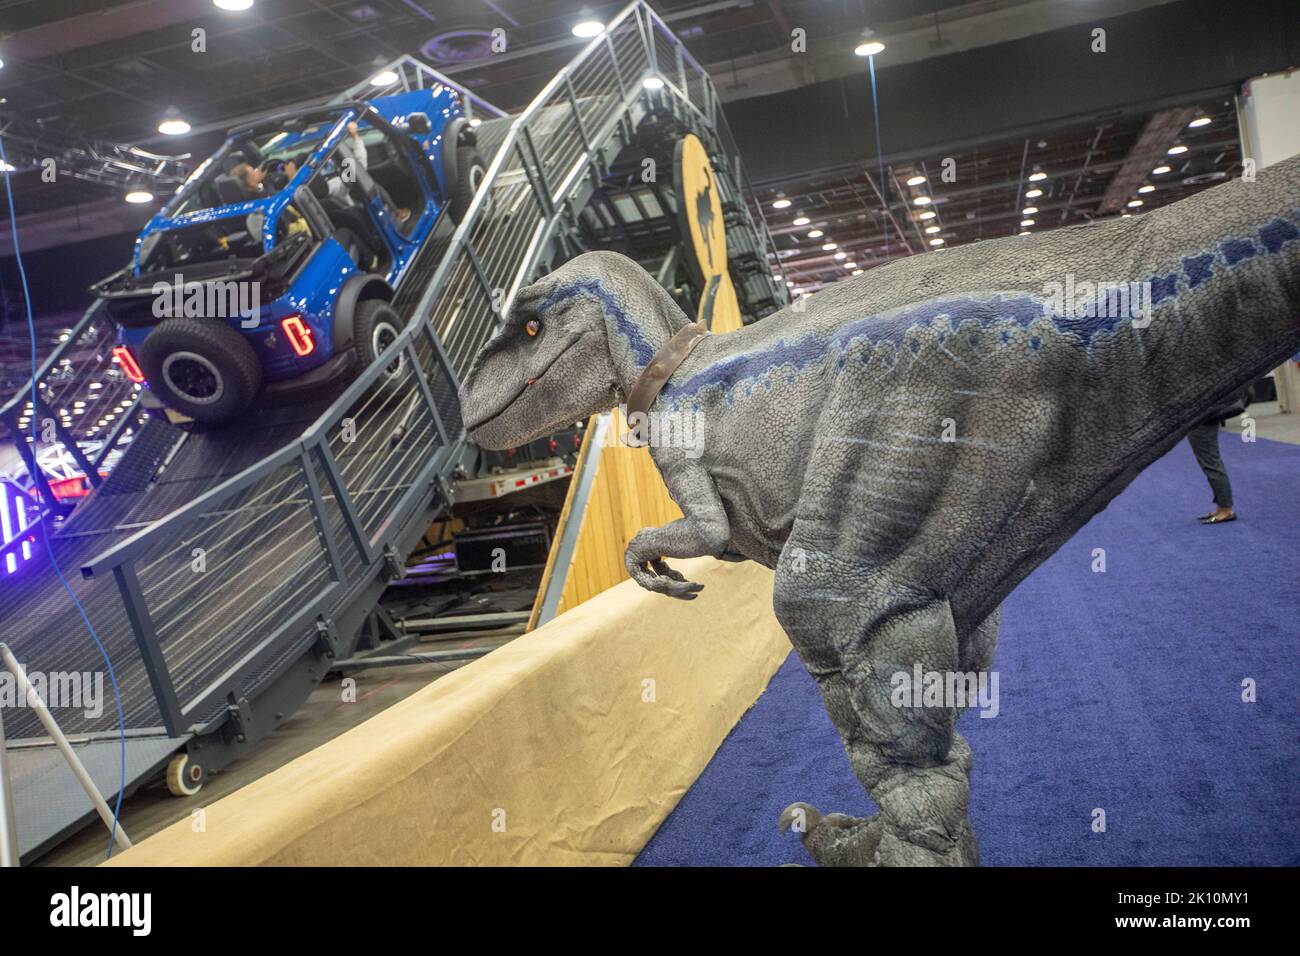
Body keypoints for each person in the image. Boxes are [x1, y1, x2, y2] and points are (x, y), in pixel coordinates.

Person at [1187, 388, 1248, 524]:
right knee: (1209, 463)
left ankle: (1226, 509)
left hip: (1203, 418)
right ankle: (1221, 507)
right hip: (1203, 416)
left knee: (1211, 463)